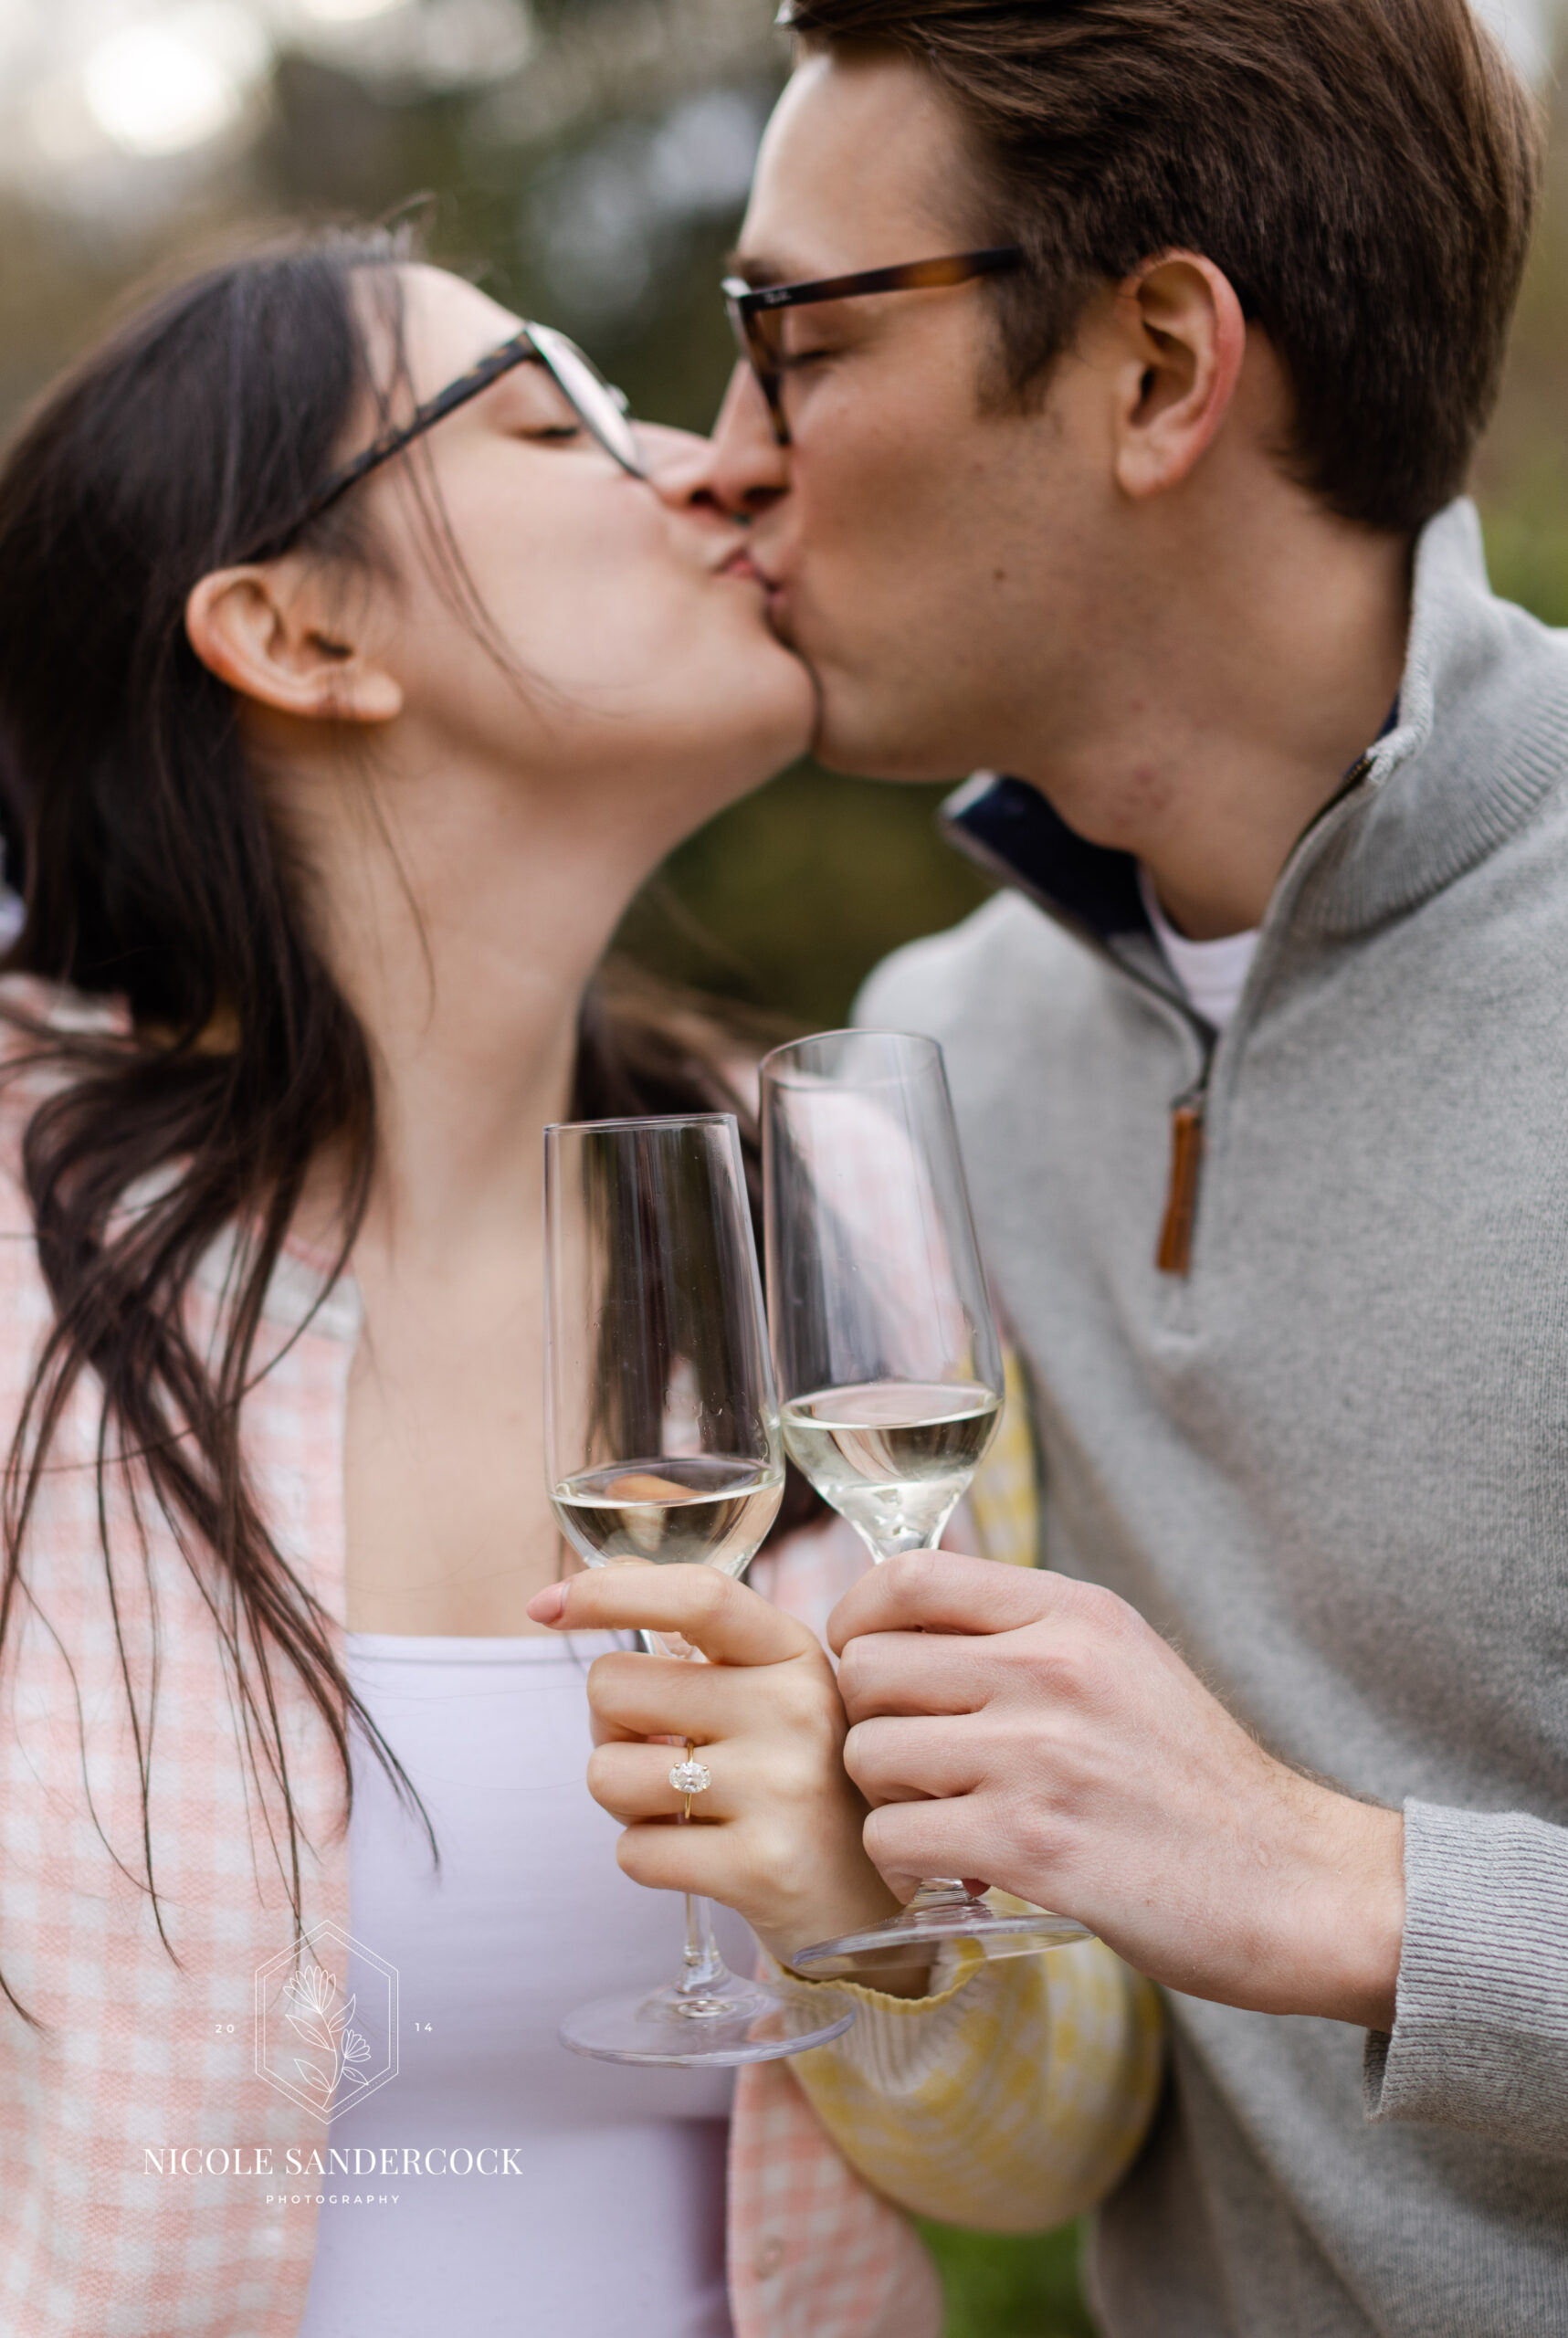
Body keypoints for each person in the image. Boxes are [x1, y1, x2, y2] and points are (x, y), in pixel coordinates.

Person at [0, 225, 1159, 2337]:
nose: (712, 472)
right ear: (297, 630)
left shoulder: (844, 1203)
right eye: (549, 422)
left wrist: (844, 1902)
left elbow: (1053, 2143)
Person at [704, 1, 1568, 2332]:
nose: (720, 462)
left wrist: (1350, 1888)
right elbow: (1060, 2097)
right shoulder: (919, 1061)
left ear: (1161, 367)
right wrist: (851, 1889)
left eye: (788, 340)